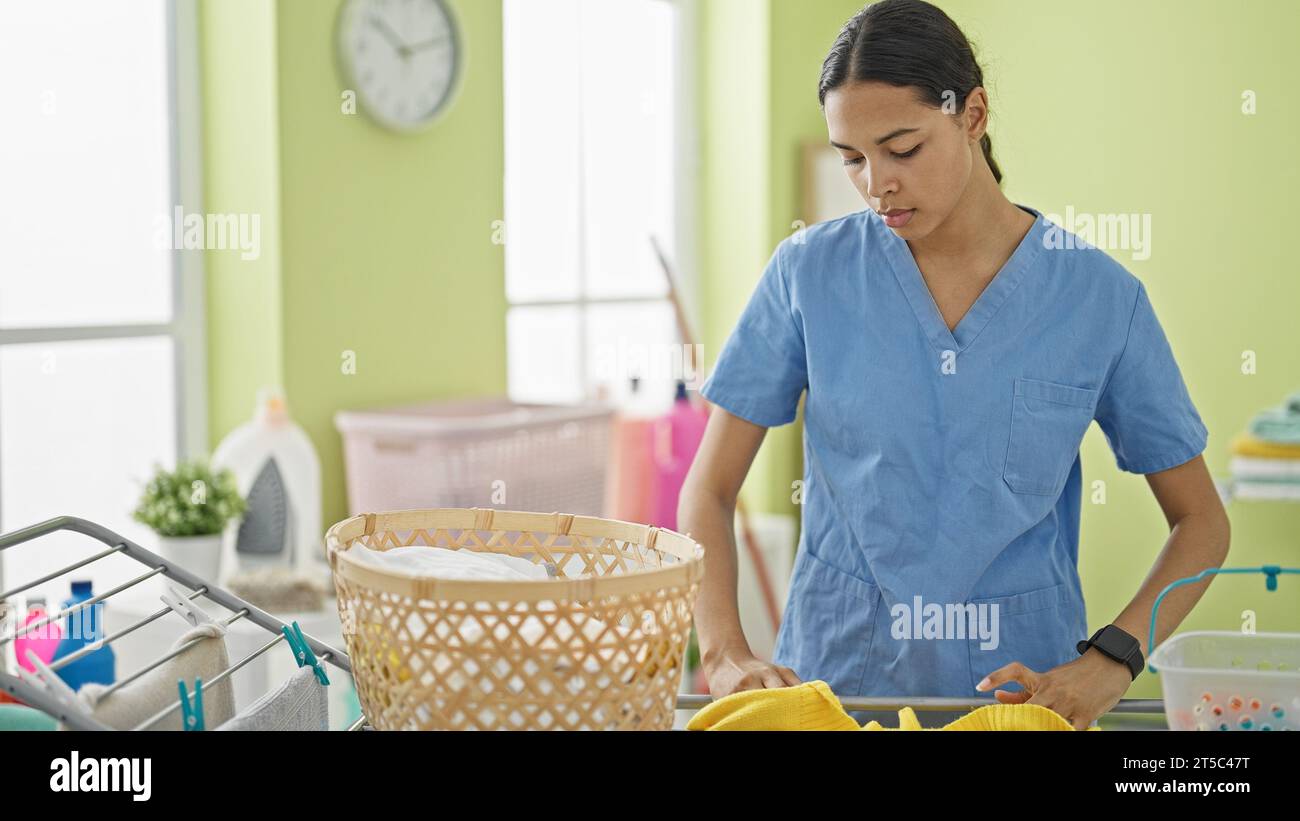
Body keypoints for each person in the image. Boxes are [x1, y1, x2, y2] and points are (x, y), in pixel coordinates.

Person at [678, 0, 1230, 730]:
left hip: (1018, 701)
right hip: (839, 691)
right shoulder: (809, 275)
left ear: (972, 115)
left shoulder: (1098, 298)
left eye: (902, 148)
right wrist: (723, 651)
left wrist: (1112, 659)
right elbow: (709, 489)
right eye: (852, 157)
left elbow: (1201, 521)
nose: (877, 184)